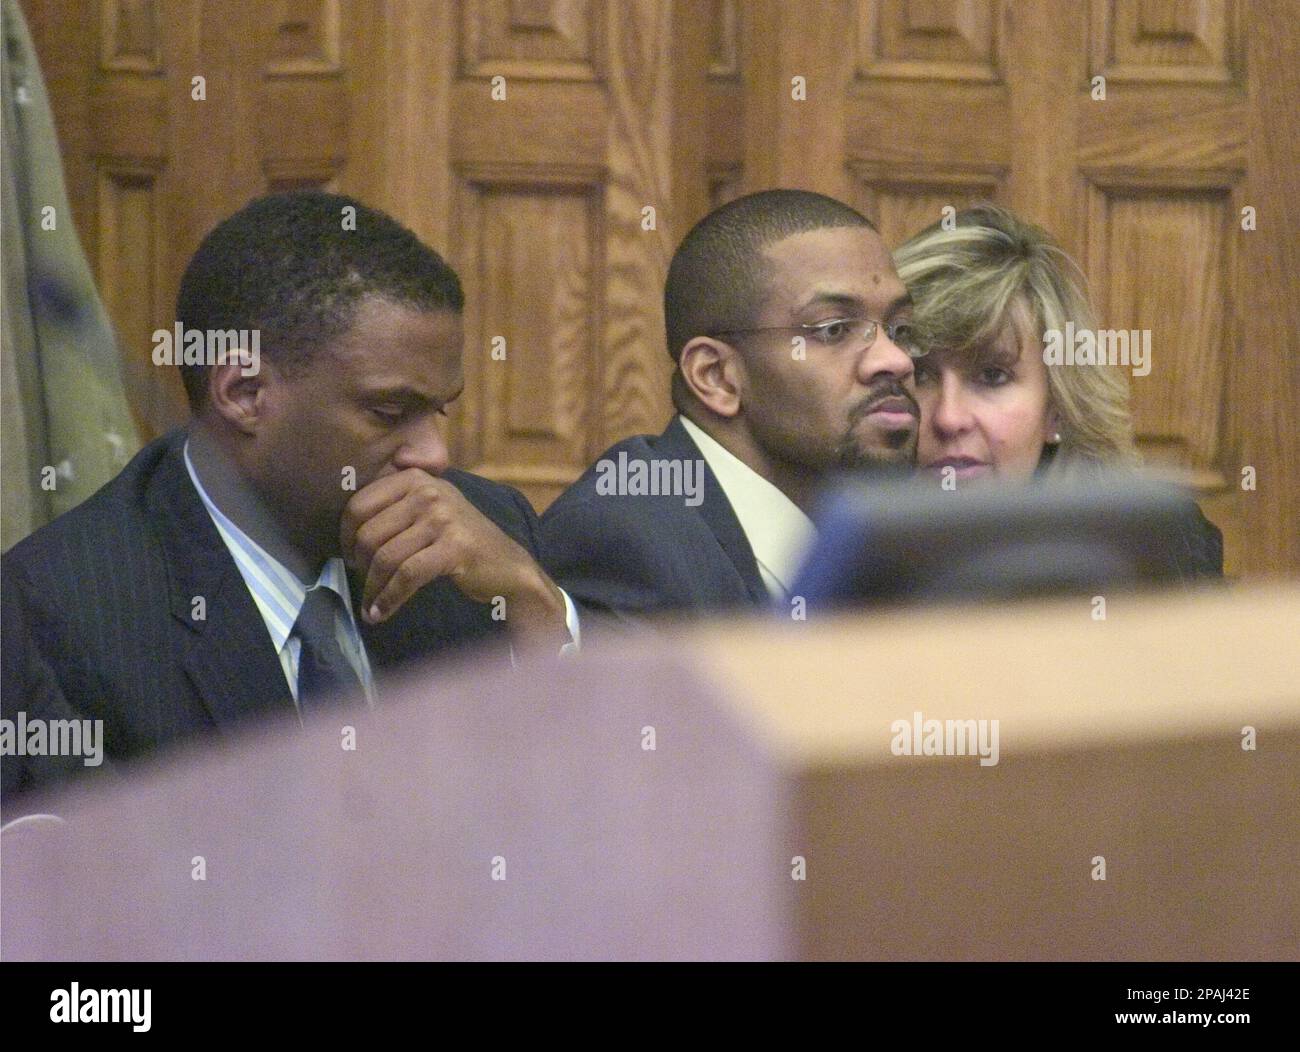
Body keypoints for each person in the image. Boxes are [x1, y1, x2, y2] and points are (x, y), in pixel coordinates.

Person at [1, 191, 578, 799]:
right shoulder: (53, 618)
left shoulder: (481, 545)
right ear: (245, 394)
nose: (434, 456)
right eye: (389, 411)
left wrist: (536, 607)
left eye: (439, 411)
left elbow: (593, 831)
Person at [539, 189, 924, 624]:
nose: (896, 359)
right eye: (834, 329)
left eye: (899, 328)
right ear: (716, 377)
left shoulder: (888, 526)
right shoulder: (626, 538)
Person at [892, 203, 1222, 575]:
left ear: (1056, 409)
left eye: (992, 376)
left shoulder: (1156, 546)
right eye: (919, 375)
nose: (949, 418)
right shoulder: (841, 557)